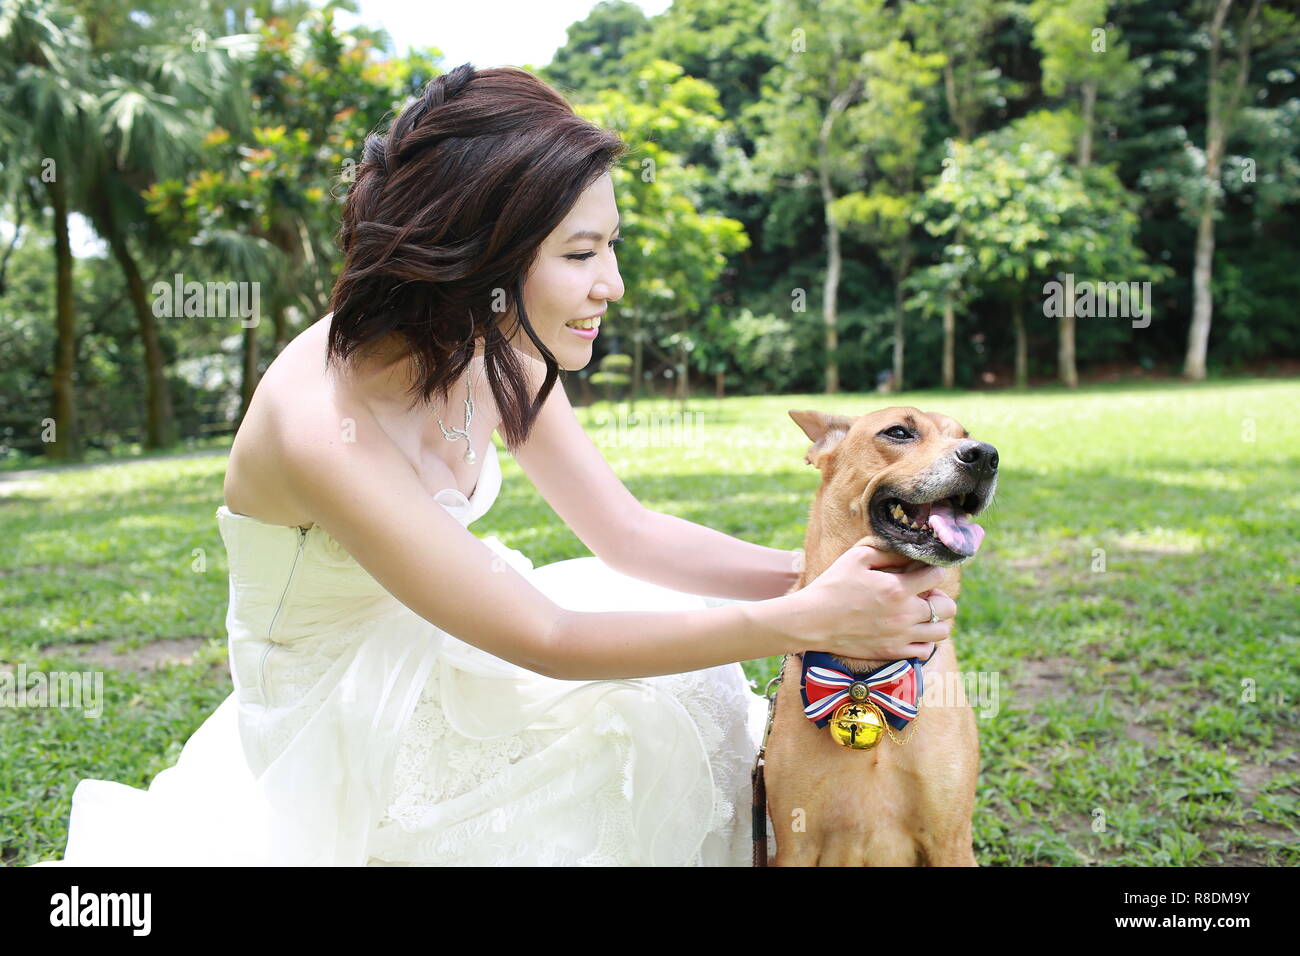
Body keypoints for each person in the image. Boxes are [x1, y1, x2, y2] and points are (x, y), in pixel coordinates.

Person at [33, 63, 957, 867]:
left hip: (457, 637)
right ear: (485, 257)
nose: (614, 284)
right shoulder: (322, 418)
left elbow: (626, 535)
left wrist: (844, 583)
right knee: (607, 750)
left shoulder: (501, 348)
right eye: (583, 253)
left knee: (674, 695)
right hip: (344, 716)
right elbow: (544, 640)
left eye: (614, 246)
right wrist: (803, 617)